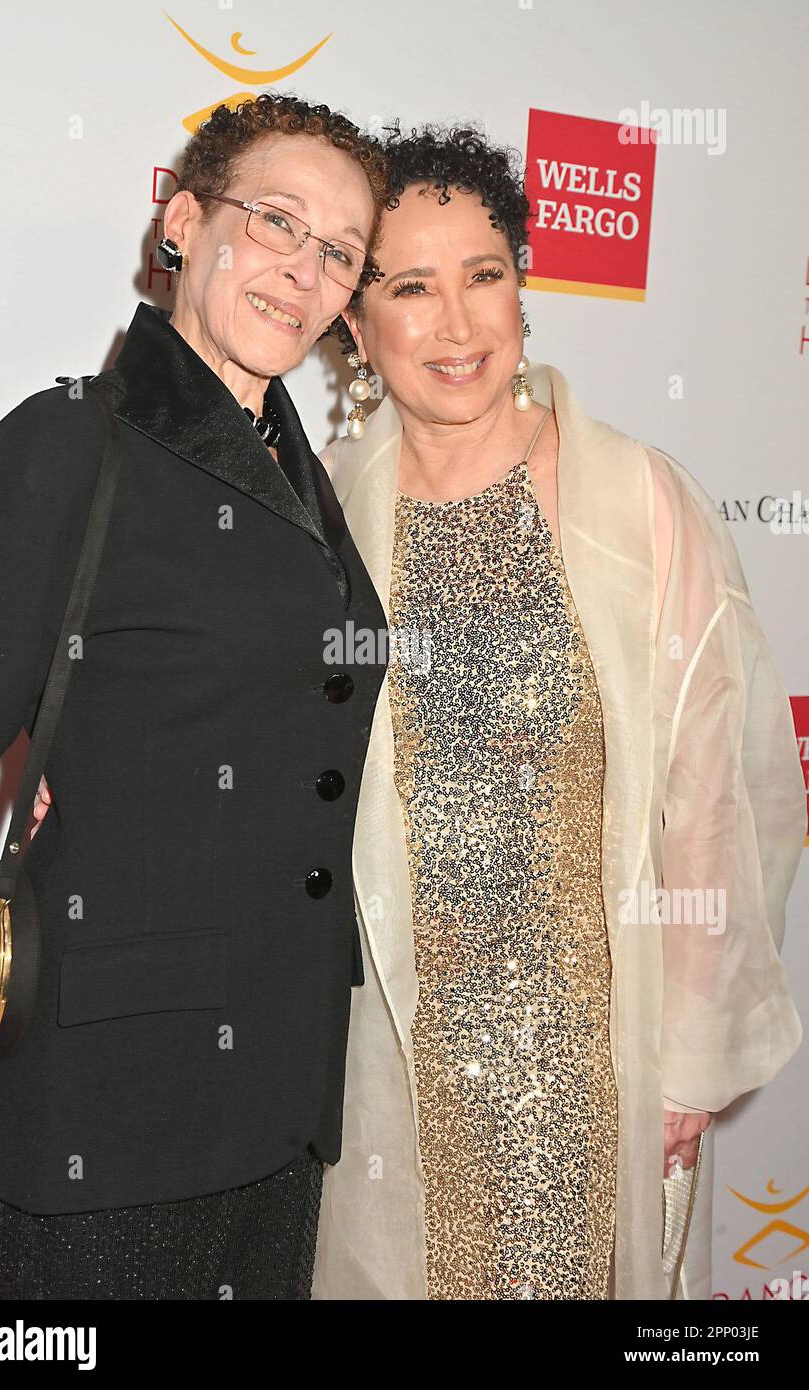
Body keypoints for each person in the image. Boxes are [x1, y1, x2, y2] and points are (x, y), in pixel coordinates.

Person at [305, 124, 804, 1299]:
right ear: (357, 326)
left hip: (591, 1068)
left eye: (485, 276)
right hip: (381, 1064)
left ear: (525, 287)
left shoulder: (635, 500)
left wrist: (689, 1060)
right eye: (410, 288)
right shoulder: (319, 520)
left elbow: (712, 792)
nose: (458, 323)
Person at [0, 92, 391, 1300]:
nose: (305, 270)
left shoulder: (307, 475)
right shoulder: (65, 446)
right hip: (103, 1112)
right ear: (185, 221)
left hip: (280, 1109)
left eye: (340, 251)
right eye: (278, 221)